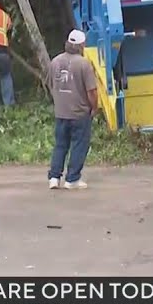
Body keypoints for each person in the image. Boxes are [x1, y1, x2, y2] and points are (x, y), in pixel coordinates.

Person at [46, 29, 100, 190]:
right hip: (79, 113)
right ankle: (72, 179)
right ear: (81, 45)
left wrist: (59, 100)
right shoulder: (84, 64)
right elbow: (92, 91)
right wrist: (94, 108)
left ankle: (54, 178)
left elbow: (49, 83)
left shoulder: (55, 61)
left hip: (61, 112)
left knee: (60, 145)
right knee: (79, 145)